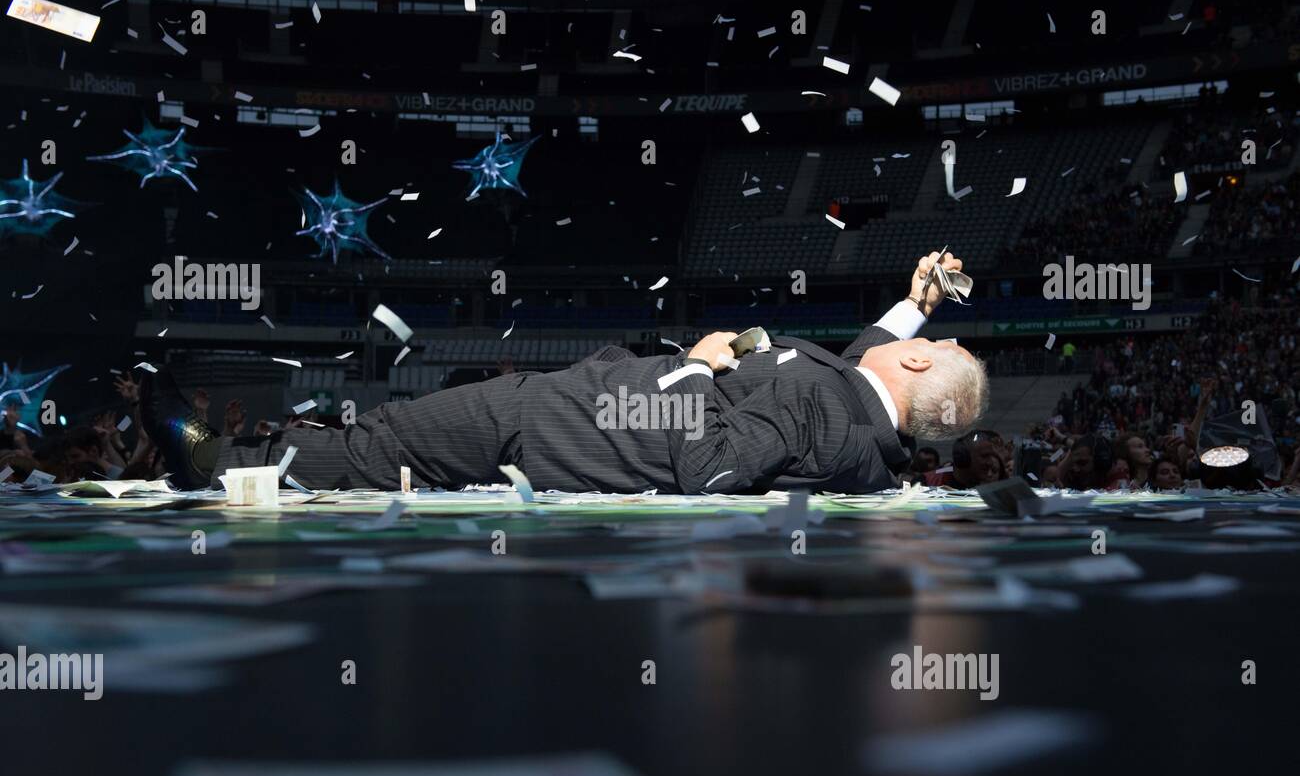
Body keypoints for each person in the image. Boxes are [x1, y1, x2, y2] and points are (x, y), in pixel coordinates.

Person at [142, 252, 990, 495]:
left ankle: (211, 460)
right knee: (390, 447)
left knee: (386, 441)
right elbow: (859, 365)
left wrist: (698, 367)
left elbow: (712, 467)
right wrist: (918, 305)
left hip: (563, 424)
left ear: (914, 367)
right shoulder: (860, 420)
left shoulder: (822, 402)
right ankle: (243, 457)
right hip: (581, 417)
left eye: (922, 341)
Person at [925, 430, 1003, 488]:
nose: (991, 462)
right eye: (985, 456)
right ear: (964, 457)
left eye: (994, 456)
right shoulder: (928, 481)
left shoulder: (994, 482)